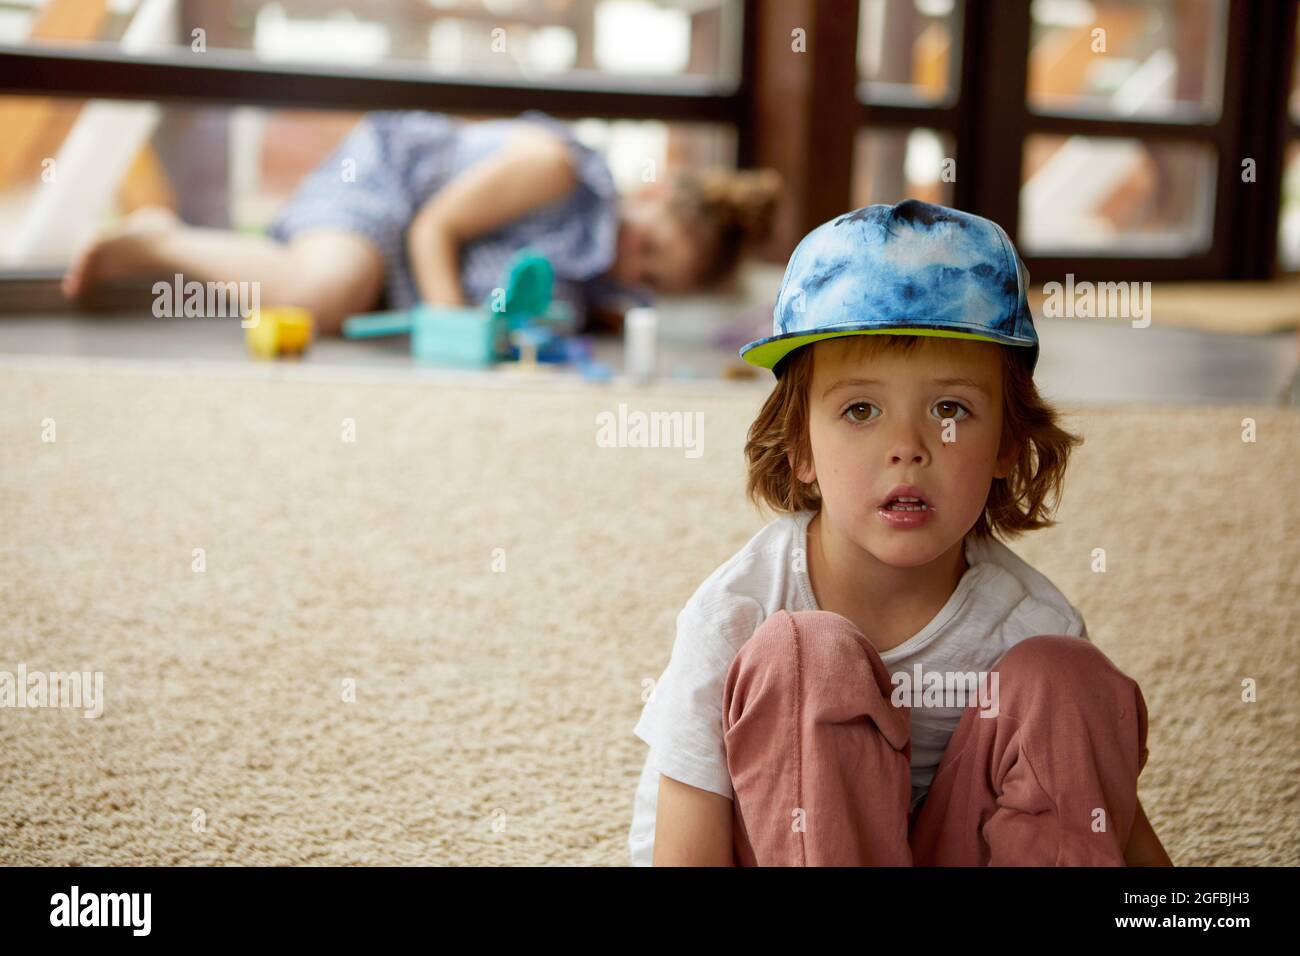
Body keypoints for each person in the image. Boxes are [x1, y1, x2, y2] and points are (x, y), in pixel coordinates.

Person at [629, 198, 1172, 866]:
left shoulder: (1030, 623)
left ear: (1008, 443)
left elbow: (1106, 822)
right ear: (799, 446)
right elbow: (685, 839)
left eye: (951, 409)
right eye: (861, 409)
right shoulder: (739, 608)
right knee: (805, 653)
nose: (908, 446)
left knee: (1067, 679)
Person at [62, 109, 781, 335]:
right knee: (328, 294)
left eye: (652, 275)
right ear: (651, 197)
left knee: (342, 307)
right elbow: (434, 228)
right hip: (391, 189)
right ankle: (161, 238)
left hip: (402, 276)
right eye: (650, 244)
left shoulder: (598, 283)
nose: (635, 265)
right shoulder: (557, 167)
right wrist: (448, 324)